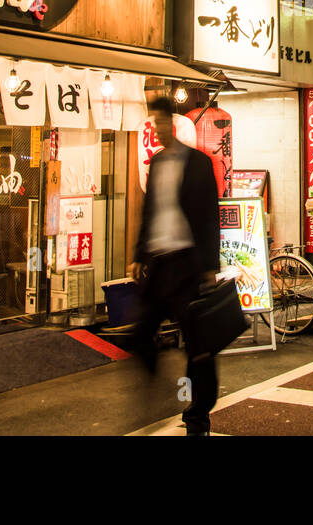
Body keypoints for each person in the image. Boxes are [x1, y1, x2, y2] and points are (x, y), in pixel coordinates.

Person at [128, 95, 222, 436]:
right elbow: (149, 213)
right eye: (154, 123)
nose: (158, 129)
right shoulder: (157, 163)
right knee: (139, 334)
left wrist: (210, 265)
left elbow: (210, 217)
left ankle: (198, 416)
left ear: (174, 123)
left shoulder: (198, 163)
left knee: (199, 347)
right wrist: (139, 255)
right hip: (160, 264)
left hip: (188, 264)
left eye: (162, 122)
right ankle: (157, 388)